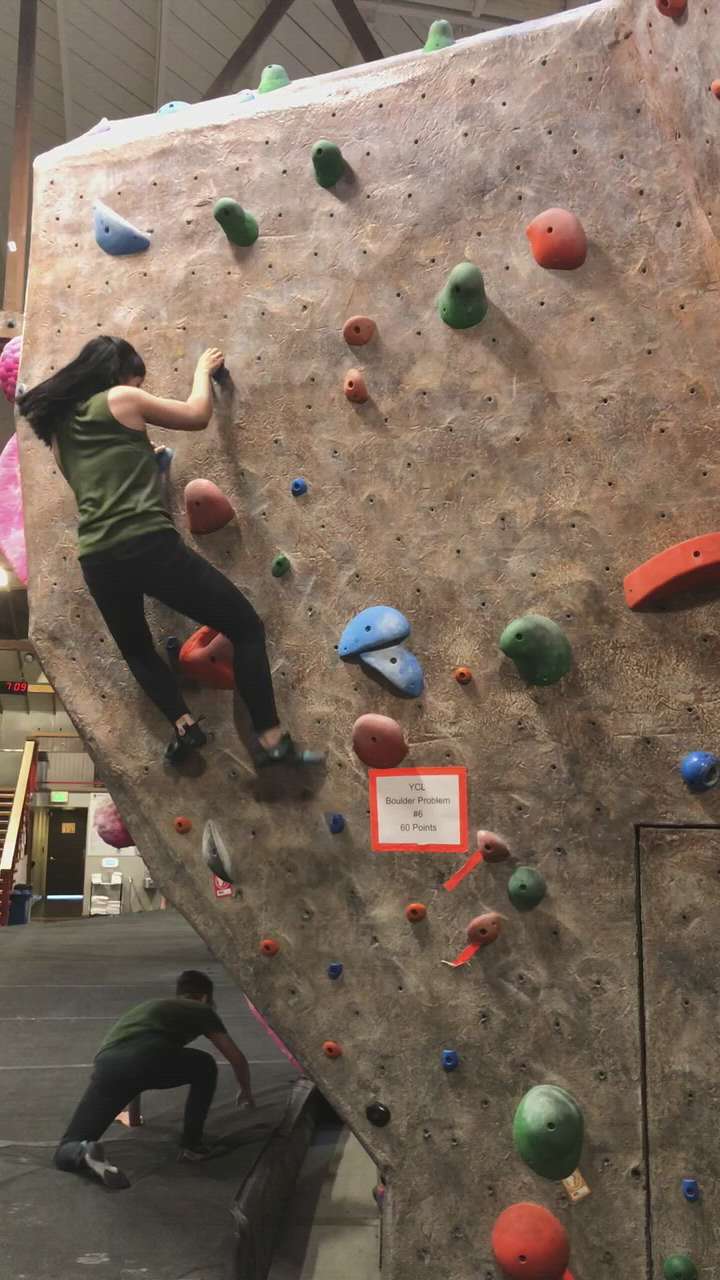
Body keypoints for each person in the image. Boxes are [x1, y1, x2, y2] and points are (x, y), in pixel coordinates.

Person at [18, 336, 323, 768]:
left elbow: (104, 487)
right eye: (137, 379)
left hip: (97, 559)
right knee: (246, 628)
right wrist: (202, 370)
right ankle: (272, 743)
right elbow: (197, 416)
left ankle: (183, 726)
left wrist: (149, 463)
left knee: (138, 650)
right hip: (145, 544)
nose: (137, 386)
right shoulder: (121, 397)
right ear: (120, 373)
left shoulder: (59, 437)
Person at [54, 969, 254, 1189]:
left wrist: (134, 1116)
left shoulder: (150, 1008)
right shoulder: (201, 1010)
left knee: (67, 1145)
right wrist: (245, 1090)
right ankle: (192, 1146)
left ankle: (82, 1152)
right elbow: (236, 1057)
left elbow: (135, 1065)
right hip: (147, 1058)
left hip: (108, 1063)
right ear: (205, 997)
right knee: (205, 1065)